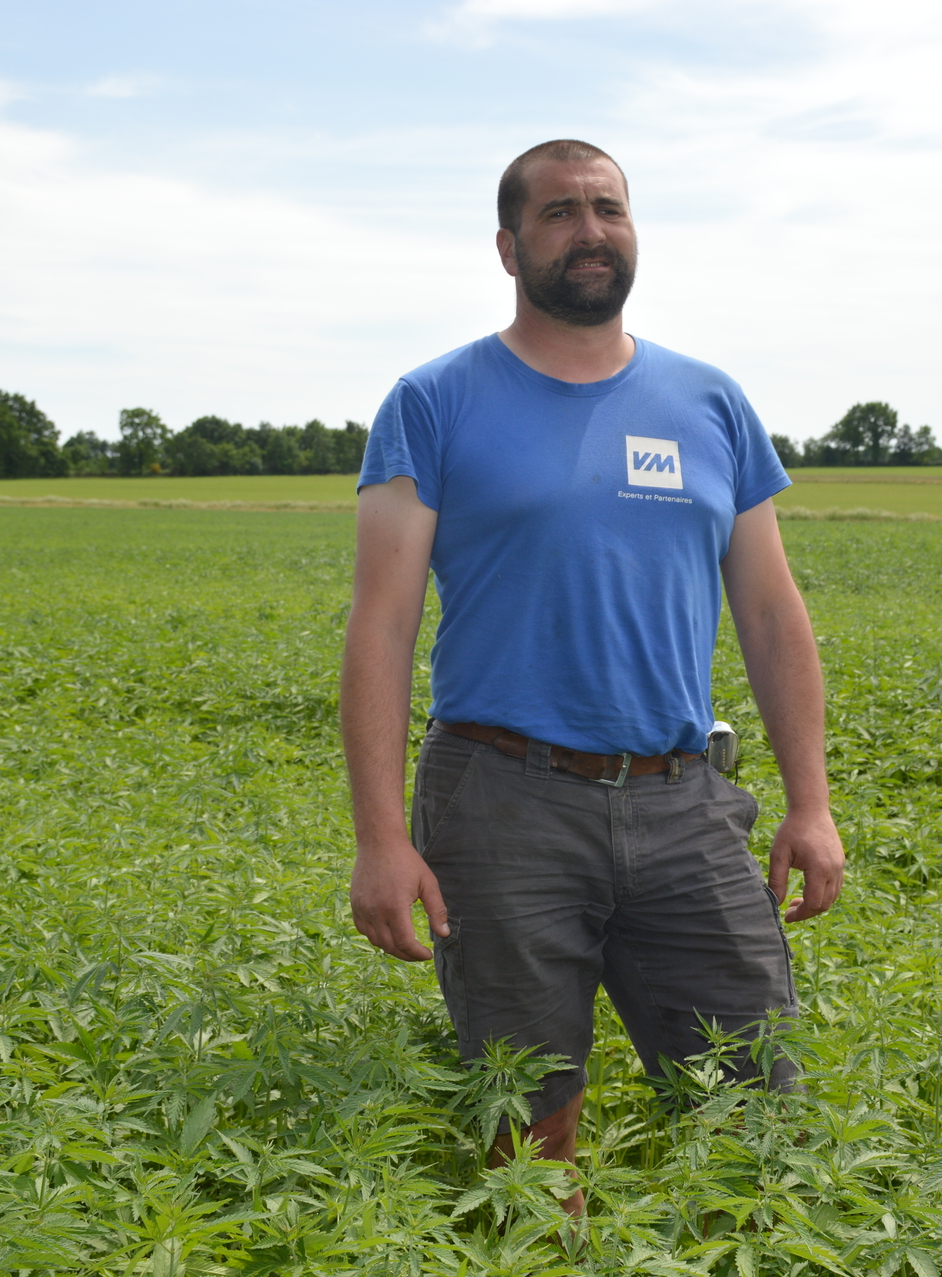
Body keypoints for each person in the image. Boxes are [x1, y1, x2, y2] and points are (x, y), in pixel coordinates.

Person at [340, 138, 844, 1216]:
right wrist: (381, 837)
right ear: (508, 246)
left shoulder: (710, 401)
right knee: (531, 1125)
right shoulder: (433, 401)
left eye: (608, 208)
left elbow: (770, 611)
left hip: (685, 800)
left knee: (756, 1107)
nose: (589, 231)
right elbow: (381, 626)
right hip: (503, 800)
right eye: (560, 212)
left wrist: (811, 803)